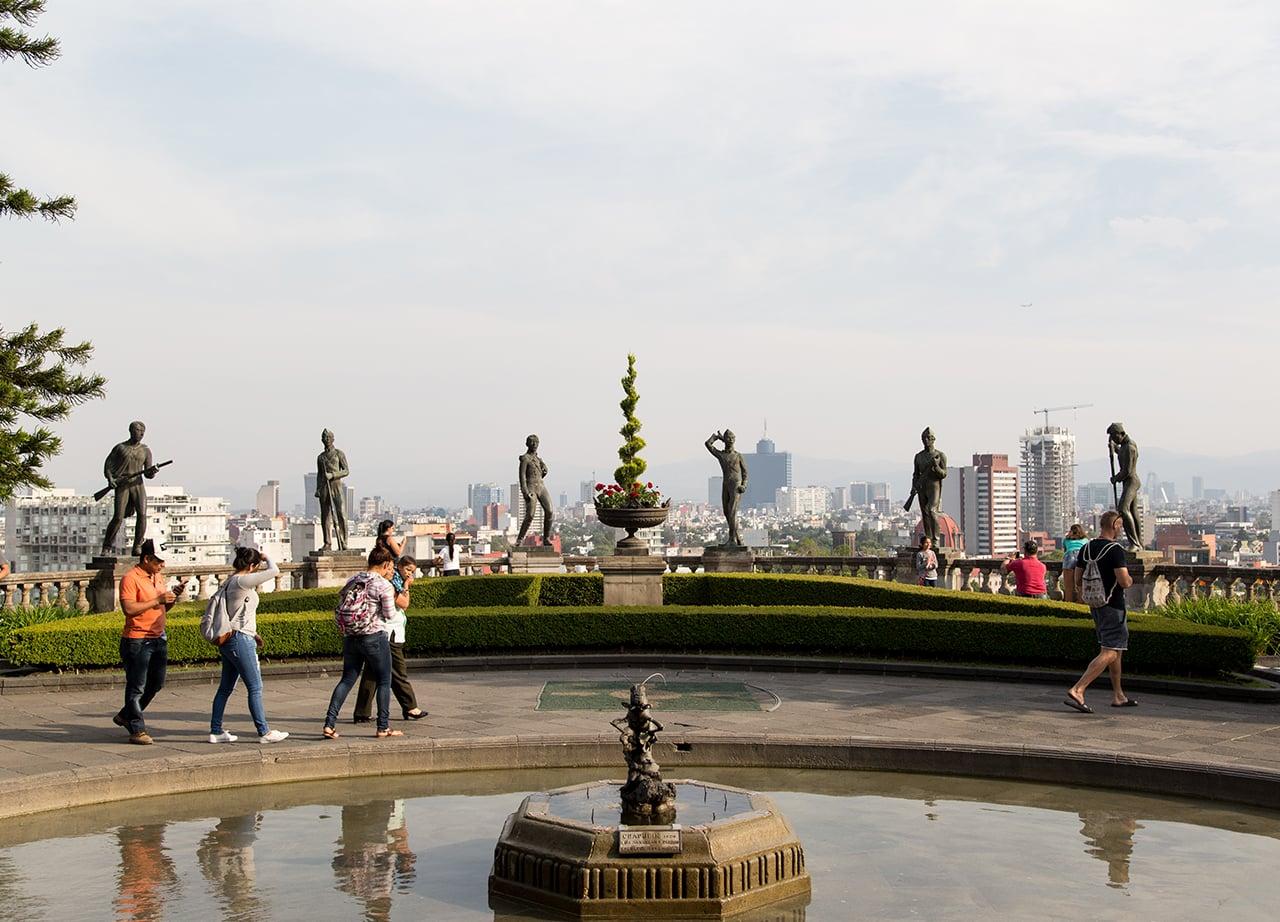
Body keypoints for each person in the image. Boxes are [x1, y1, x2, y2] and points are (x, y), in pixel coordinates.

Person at [208, 546, 290, 744]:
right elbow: (274, 571)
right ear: (252, 565)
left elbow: (237, 614)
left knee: (225, 688)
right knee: (255, 687)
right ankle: (264, 732)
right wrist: (266, 556)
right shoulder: (242, 580)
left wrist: (254, 634)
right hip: (240, 640)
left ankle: (216, 731)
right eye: (256, 565)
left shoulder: (230, 581)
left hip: (231, 639)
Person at [322, 546, 403, 739]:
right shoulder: (383, 585)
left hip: (351, 637)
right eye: (390, 567)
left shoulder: (353, 580)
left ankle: (329, 724)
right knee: (384, 680)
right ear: (385, 564)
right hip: (374, 637)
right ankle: (383, 727)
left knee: (347, 680)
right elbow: (390, 615)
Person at [113, 539, 185, 744]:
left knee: (156, 684)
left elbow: (161, 608)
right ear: (146, 559)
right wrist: (157, 600)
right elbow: (129, 609)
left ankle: (125, 715)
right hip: (138, 639)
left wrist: (171, 598)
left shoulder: (157, 576)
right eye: (158, 562)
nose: (162, 565)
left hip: (158, 636)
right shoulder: (130, 578)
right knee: (137, 686)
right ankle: (137, 729)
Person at [1064, 511, 1135, 713]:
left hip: (1095, 604)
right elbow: (1124, 581)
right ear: (1114, 525)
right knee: (1110, 651)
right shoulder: (1115, 550)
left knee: (1115, 649)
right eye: (1120, 526)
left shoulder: (1087, 547)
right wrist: (1130, 580)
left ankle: (1118, 695)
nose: (1121, 530)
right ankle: (1079, 689)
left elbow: (1078, 580)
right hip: (1113, 605)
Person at [353, 555, 427, 723]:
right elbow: (404, 604)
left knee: (372, 672)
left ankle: (362, 712)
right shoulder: (389, 584)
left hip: (383, 631)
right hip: (388, 632)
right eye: (406, 569)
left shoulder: (386, 582)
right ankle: (410, 707)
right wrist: (406, 586)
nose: (408, 574)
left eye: (412, 571)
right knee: (398, 671)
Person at [101, 421, 159, 555]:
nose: (141, 434)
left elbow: (148, 474)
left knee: (142, 514)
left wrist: (152, 472)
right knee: (118, 517)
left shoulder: (145, 450)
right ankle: (107, 546)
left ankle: (137, 546)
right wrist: (110, 479)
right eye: (138, 430)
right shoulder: (120, 448)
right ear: (131, 431)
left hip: (137, 484)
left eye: (142, 432)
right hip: (123, 484)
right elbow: (108, 465)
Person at [705, 430, 749, 546]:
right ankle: (738, 539)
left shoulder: (738, 456)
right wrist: (716, 437)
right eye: (728, 438)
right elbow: (708, 444)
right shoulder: (721, 455)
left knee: (732, 511)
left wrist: (744, 485)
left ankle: (732, 539)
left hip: (736, 484)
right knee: (726, 511)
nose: (731, 440)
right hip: (725, 484)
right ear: (725, 440)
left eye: (732, 438)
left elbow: (745, 472)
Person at [514, 434, 554, 546]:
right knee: (530, 514)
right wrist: (525, 492)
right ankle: (520, 540)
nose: (534, 444)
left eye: (536, 442)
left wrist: (545, 470)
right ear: (527, 444)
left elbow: (542, 473)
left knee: (550, 511)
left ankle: (546, 538)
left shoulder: (538, 459)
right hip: (531, 486)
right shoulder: (525, 459)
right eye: (532, 442)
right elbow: (522, 476)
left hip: (541, 486)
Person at [315, 428, 350, 552]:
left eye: (329, 437)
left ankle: (343, 541)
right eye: (324, 438)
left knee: (341, 514)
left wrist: (333, 475)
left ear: (333, 439)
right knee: (325, 516)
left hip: (336, 486)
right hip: (324, 487)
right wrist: (318, 489)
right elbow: (319, 474)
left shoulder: (339, 454)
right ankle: (327, 542)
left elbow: (346, 471)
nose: (327, 440)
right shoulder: (321, 457)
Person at [1062, 524, 1089, 603]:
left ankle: (1069, 606)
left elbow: (1065, 550)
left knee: (1068, 587)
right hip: (1081, 557)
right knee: (1080, 586)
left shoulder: (1066, 540)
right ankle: (1080, 606)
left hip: (1069, 556)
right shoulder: (1086, 540)